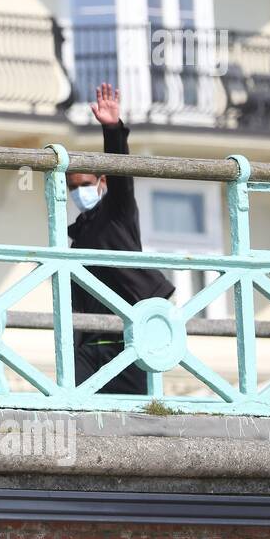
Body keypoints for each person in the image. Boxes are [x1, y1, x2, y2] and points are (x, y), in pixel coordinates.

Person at [68, 83, 175, 395]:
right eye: (72, 187)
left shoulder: (118, 213)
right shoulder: (78, 236)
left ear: (102, 182)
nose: (78, 193)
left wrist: (112, 129)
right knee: (74, 412)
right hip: (88, 349)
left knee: (142, 425)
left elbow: (122, 179)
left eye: (84, 184)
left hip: (130, 343)